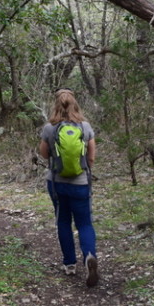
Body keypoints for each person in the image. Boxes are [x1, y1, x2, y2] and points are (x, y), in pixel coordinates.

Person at [39, 88, 99, 287]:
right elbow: (91, 157)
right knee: (84, 223)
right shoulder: (85, 126)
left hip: (57, 183)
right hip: (80, 183)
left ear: (55, 105)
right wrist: (82, 171)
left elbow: (44, 155)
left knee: (63, 221)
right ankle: (89, 256)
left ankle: (70, 264)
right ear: (75, 103)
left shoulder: (49, 128)